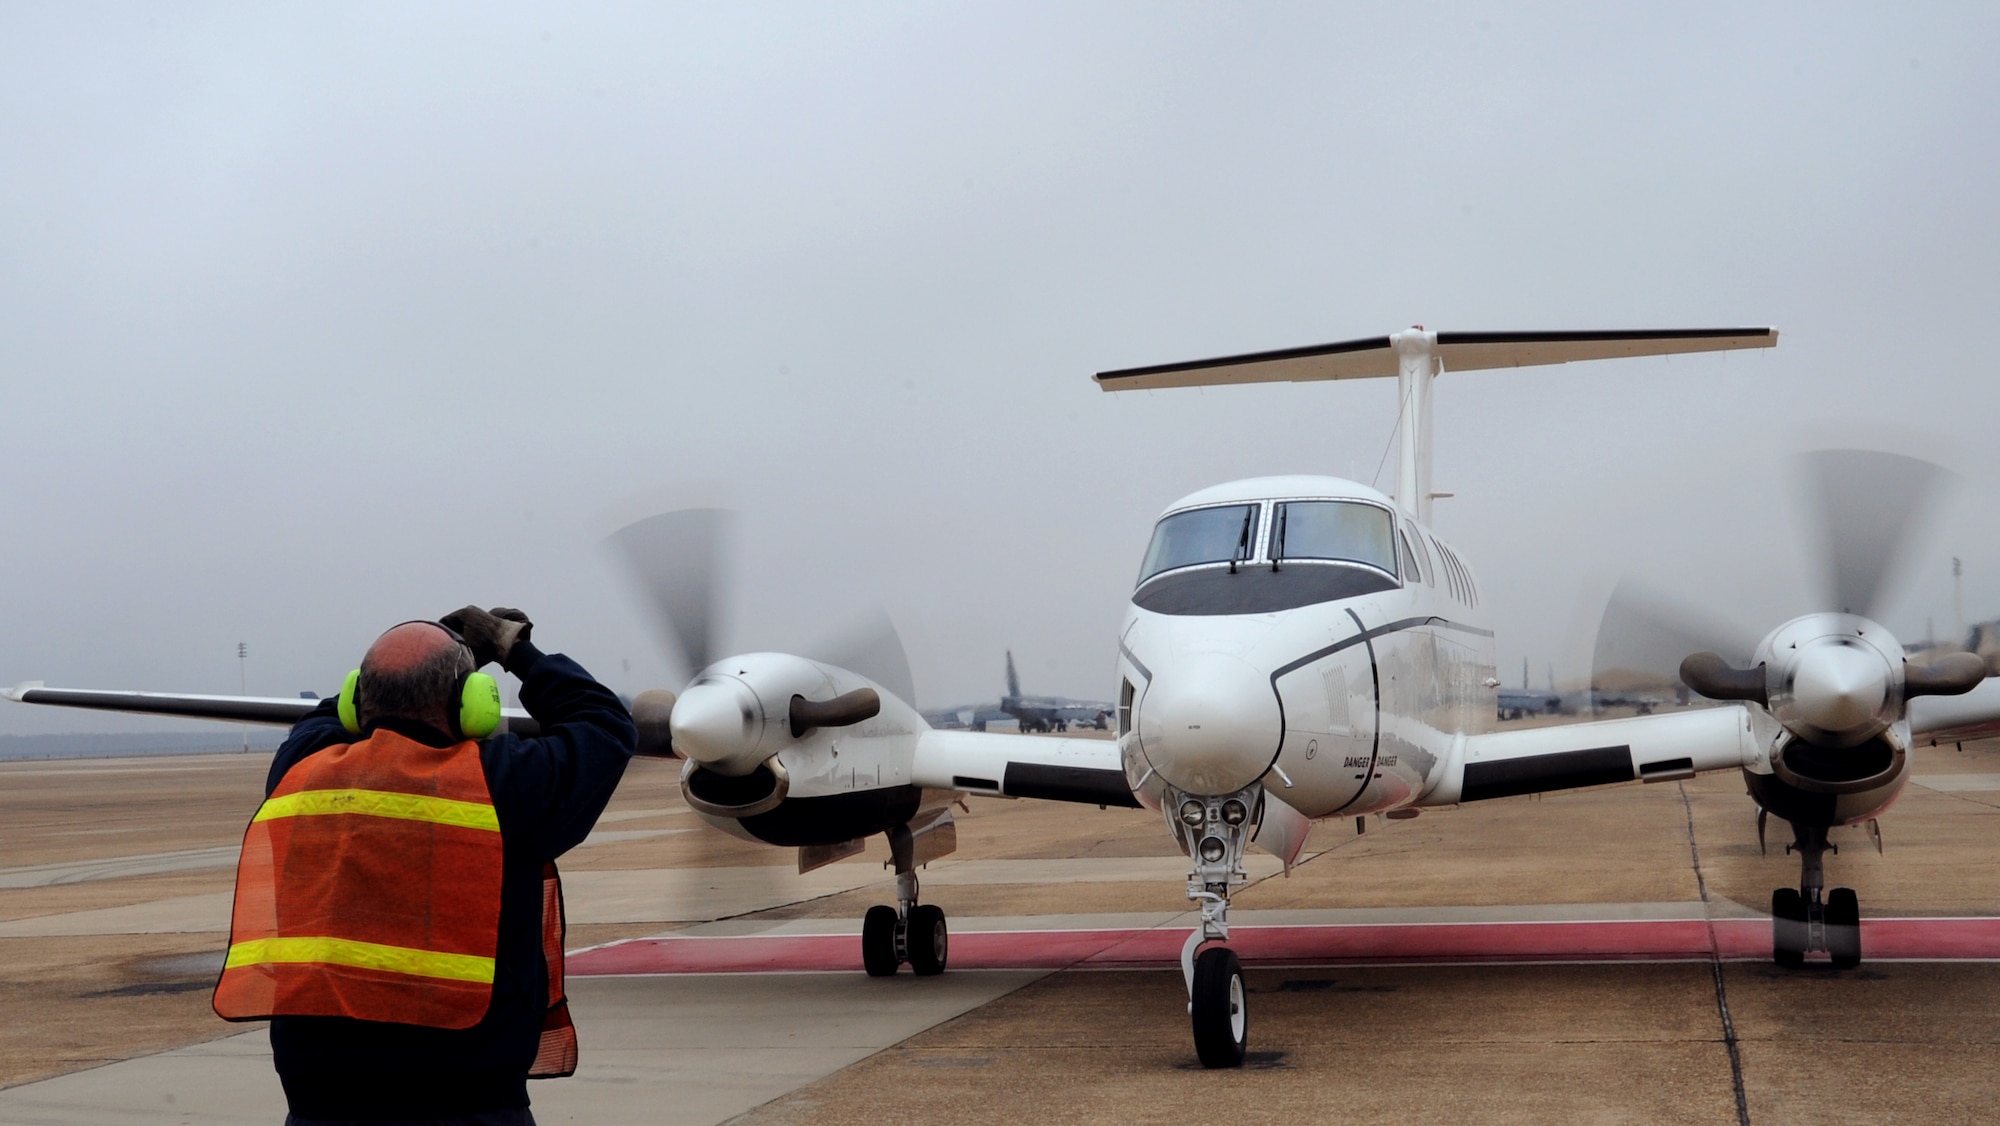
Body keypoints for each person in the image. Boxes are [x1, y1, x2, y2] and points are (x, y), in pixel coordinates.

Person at [213, 606, 637, 1126]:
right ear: (472, 707)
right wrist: (515, 651)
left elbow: (328, 717)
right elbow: (605, 722)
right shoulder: (505, 784)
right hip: (468, 1101)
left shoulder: (299, 769)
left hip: (321, 1099)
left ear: (355, 699)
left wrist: (403, 660)